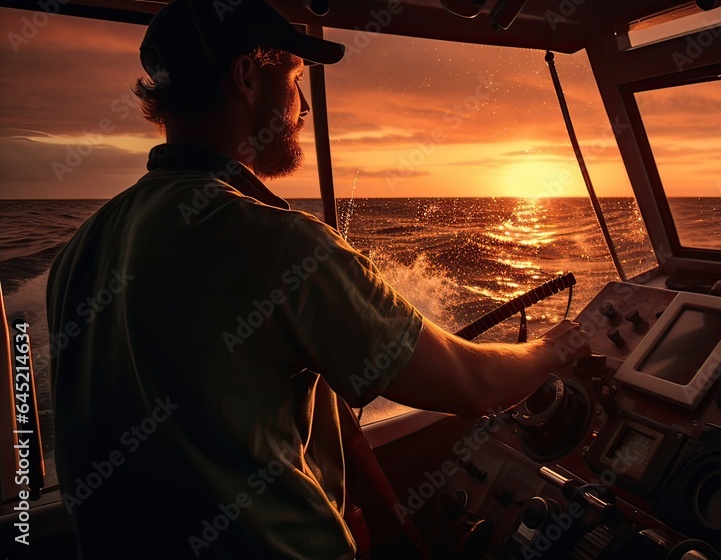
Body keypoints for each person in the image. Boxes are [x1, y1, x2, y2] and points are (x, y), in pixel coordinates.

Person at [45, 0, 590, 558]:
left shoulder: (79, 249)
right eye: (295, 81)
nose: (302, 108)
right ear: (249, 76)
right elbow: (474, 386)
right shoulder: (282, 244)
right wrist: (555, 347)